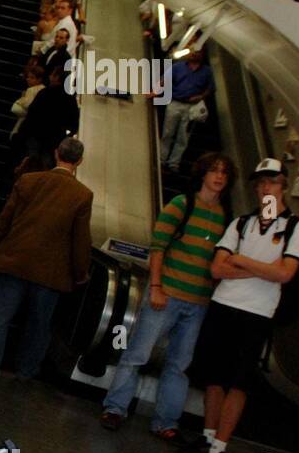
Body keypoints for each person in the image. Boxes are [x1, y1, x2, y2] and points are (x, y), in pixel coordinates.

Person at [181, 159, 299, 453]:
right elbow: (217, 269)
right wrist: (260, 268)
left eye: (273, 182)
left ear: (284, 186)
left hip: (257, 314)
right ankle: (208, 439)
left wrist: (241, 261)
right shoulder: (241, 223)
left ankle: (220, 448)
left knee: (239, 381)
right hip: (224, 304)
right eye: (261, 182)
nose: (266, 188)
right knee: (213, 375)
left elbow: (285, 273)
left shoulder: (296, 227)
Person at [100, 153, 235, 437]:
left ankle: (166, 422)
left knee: (179, 365)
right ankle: (115, 407)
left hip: (199, 302)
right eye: (213, 170)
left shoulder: (227, 217)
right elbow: (158, 247)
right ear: (202, 174)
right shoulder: (181, 205)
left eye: (224, 172)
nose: (219, 177)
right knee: (138, 353)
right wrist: (157, 287)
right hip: (168, 293)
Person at [0, 137, 93, 384]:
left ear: (56, 153)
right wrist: (81, 272)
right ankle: (26, 372)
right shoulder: (82, 195)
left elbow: (4, 220)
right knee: (39, 324)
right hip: (51, 272)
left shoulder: (28, 181)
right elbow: (80, 239)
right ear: (80, 161)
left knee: (0, 318)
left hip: (14, 260)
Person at [151, 48, 213, 172]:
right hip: (175, 103)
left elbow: (210, 88)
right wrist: (155, 92)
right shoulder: (178, 66)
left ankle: (174, 162)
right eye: (193, 52)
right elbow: (165, 79)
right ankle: (161, 159)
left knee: (183, 137)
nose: (194, 54)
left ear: (202, 55)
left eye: (198, 52)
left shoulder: (207, 71)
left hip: (191, 107)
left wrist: (200, 96)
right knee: (168, 132)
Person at [19, 62, 78, 172]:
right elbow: (74, 125)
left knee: (30, 167)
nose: (50, 77)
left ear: (57, 78)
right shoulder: (70, 101)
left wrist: (23, 134)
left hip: (36, 137)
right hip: (54, 144)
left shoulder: (45, 93)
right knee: (45, 171)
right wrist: (63, 135)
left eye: (53, 75)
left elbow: (31, 114)